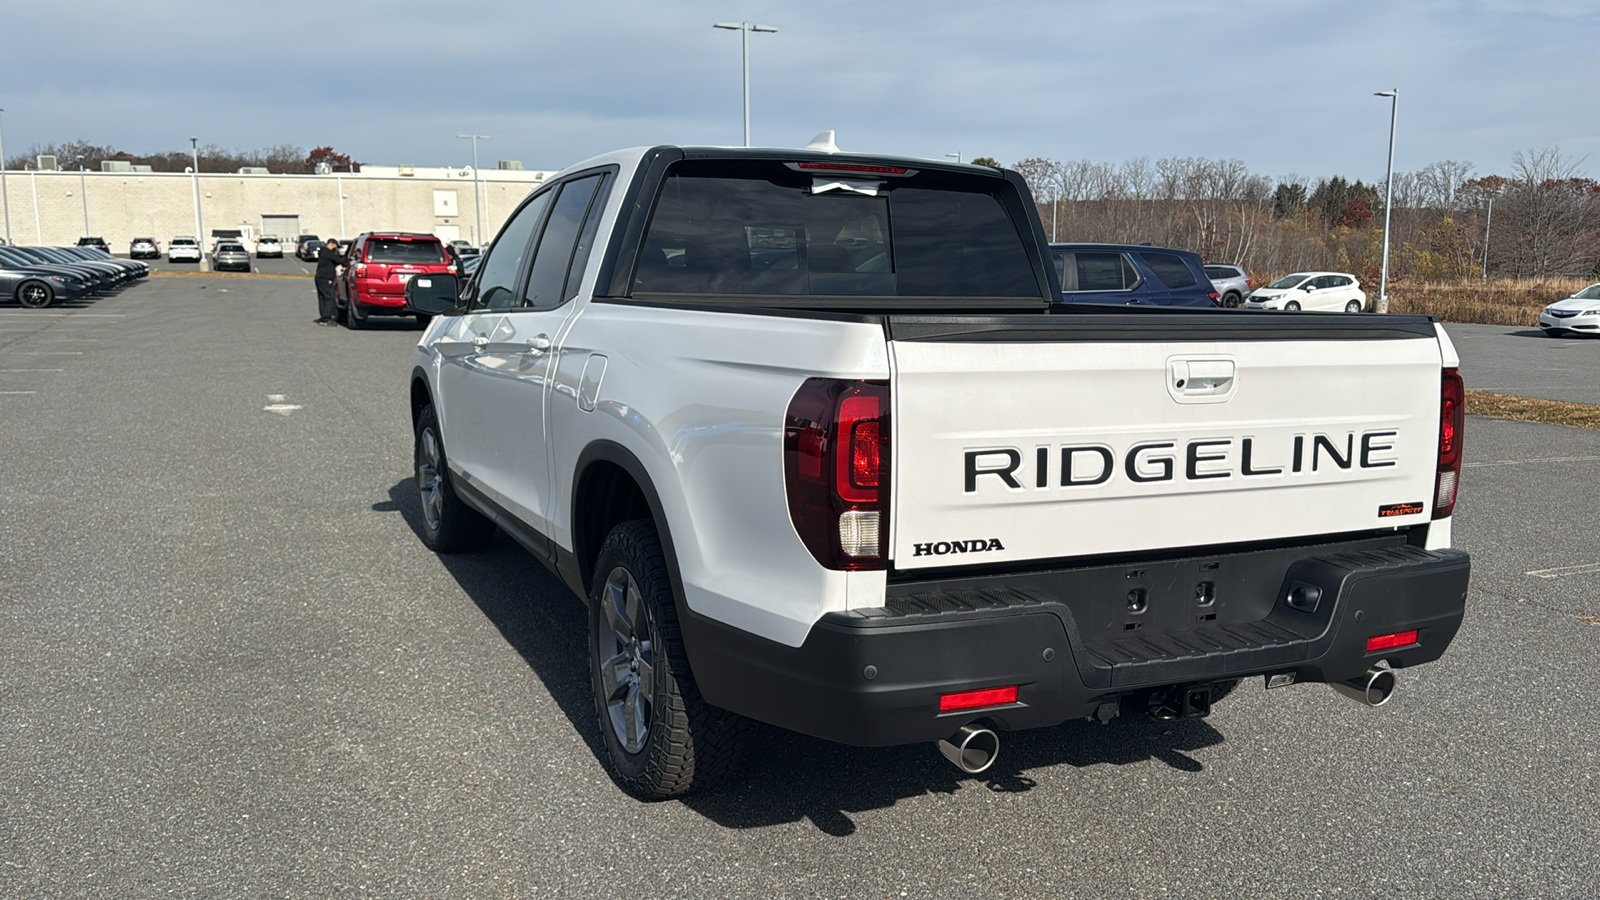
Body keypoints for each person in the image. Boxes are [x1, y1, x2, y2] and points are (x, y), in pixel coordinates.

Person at [313, 239, 347, 325]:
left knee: (322, 297)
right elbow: (340, 261)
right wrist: (348, 258)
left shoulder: (323, 252)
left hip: (320, 277)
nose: (335, 249)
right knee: (329, 297)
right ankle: (327, 318)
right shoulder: (328, 252)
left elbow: (334, 262)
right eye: (335, 247)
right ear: (331, 244)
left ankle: (323, 316)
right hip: (325, 278)